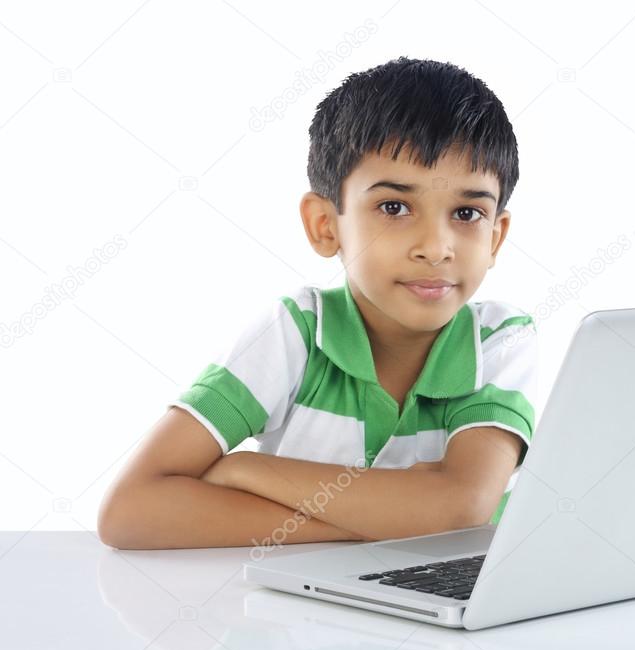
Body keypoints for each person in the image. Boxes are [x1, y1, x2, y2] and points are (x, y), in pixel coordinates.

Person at [98, 57, 538, 550]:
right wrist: (398, 518)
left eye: (466, 212)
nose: (435, 248)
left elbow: (460, 506)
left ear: (496, 236)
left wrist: (249, 469)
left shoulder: (500, 338)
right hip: (296, 620)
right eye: (394, 207)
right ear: (325, 225)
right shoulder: (294, 334)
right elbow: (131, 511)